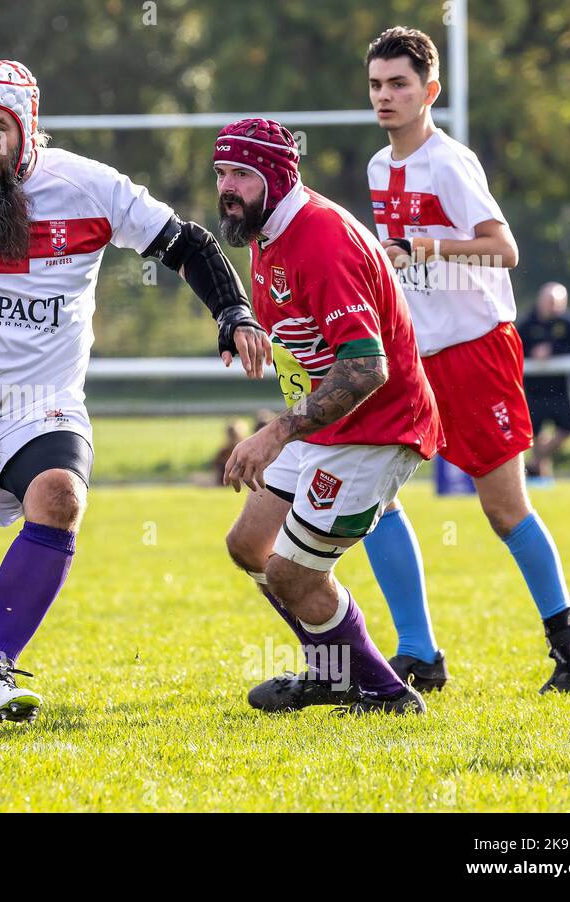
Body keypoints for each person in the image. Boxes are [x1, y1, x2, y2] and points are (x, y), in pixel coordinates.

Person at [0, 60, 268, 738]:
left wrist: (233, 311)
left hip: (44, 400)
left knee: (60, 496)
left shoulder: (89, 188)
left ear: (28, 128)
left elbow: (188, 244)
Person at [362, 26, 570, 694]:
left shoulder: (450, 162)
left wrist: (435, 251)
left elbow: (505, 248)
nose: (386, 96)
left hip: (476, 354)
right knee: (369, 494)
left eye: (399, 84)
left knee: (504, 510)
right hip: (413, 358)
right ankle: (419, 654)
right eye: (377, 85)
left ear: (429, 90)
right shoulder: (379, 169)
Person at [216, 118, 440, 716]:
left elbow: (367, 369)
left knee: (293, 574)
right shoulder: (267, 235)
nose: (228, 188)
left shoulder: (319, 236)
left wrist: (280, 429)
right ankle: (333, 671)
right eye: (221, 174)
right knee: (249, 543)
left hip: (377, 428)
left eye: (242, 174)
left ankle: (387, 693)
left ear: (276, 176)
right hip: (327, 426)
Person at [518, 282, 570, 479]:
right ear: (540, 299)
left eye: (557, 302)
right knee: (536, 434)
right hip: (533, 389)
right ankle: (542, 478)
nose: (552, 306)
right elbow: (517, 347)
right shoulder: (527, 322)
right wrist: (533, 352)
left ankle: (533, 463)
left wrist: (552, 351)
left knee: (567, 429)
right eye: (549, 301)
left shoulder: (569, 322)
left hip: (561, 388)